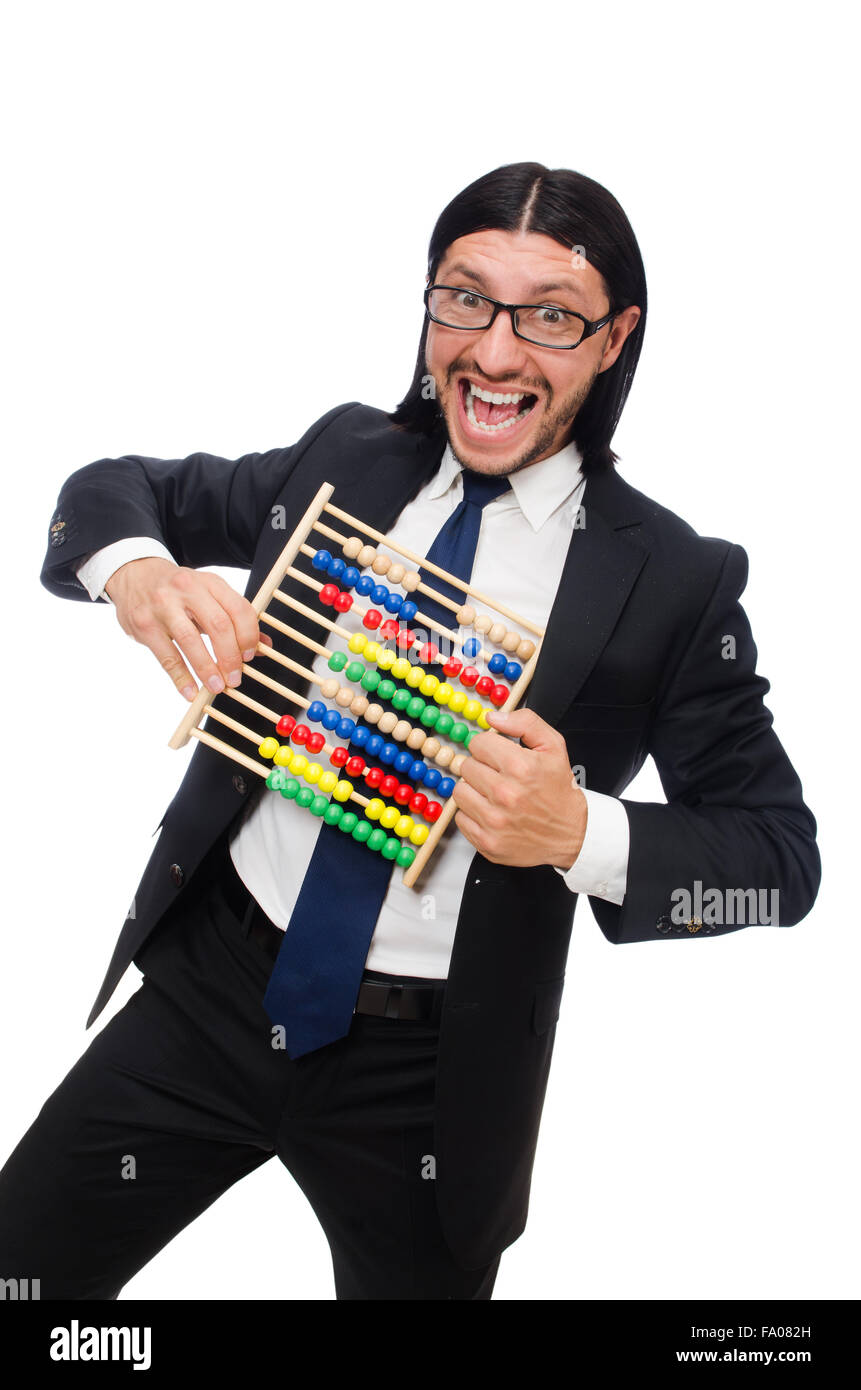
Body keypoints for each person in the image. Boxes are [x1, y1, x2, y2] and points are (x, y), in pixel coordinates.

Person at [0, 162, 820, 1300]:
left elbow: (780, 868)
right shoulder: (351, 458)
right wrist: (135, 574)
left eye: (549, 316)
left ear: (614, 337)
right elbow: (110, 488)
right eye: (464, 298)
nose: (492, 352)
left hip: (431, 1077)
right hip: (215, 985)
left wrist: (582, 830)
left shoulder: (672, 581)